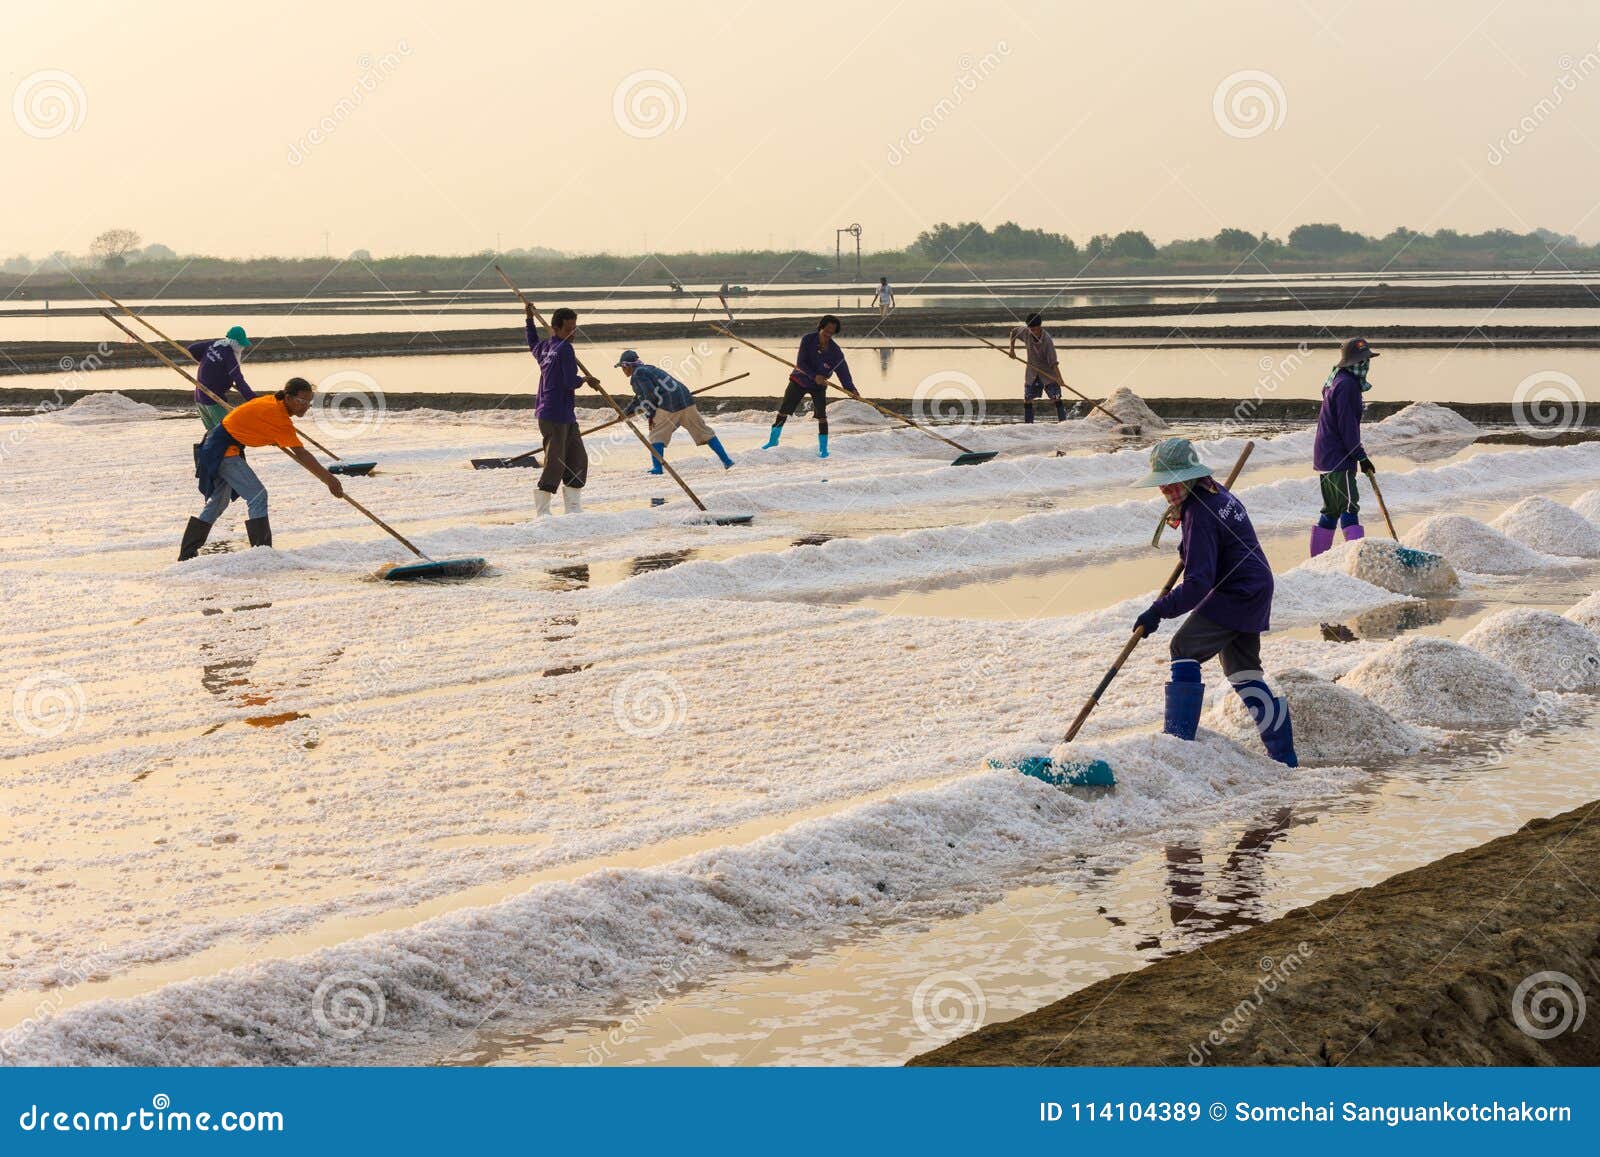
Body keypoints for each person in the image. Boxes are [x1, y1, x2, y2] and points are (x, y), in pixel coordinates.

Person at [1130, 437, 1297, 767]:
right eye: (1162, 484)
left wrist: (1157, 612)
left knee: (1183, 648)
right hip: (1254, 585)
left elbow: (1197, 585)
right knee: (1243, 671)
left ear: (1188, 476)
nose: (1165, 490)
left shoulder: (1200, 512)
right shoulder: (1212, 491)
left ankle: (1179, 744)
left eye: (1171, 482)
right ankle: (1286, 760)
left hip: (1237, 592)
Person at [178, 378, 343, 560]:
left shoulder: (273, 402)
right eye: (302, 401)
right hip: (222, 450)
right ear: (288, 398)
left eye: (309, 402)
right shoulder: (279, 418)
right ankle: (262, 552)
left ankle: (187, 554)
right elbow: (302, 454)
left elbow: (257, 424)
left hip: (217, 445)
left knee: (218, 503)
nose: (306, 406)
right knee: (257, 495)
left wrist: (268, 436)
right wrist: (328, 479)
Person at [528, 304, 600, 516]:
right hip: (554, 413)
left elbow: (531, 341)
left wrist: (529, 320)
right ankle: (543, 512)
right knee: (556, 462)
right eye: (568, 329)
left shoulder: (545, 347)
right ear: (556, 328)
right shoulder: (564, 349)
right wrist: (586, 380)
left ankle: (573, 509)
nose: (572, 333)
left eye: (574, 328)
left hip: (563, 414)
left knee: (578, 458)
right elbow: (570, 381)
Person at [1310, 337, 1378, 556]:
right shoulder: (1348, 386)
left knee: (1332, 509)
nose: (1367, 364)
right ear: (1355, 362)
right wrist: (1361, 457)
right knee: (1349, 506)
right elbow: (1347, 428)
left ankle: (1317, 561)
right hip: (1339, 458)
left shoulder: (1336, 378)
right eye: (1364, 360)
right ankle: (1358, 560)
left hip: (1325, 455)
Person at [616, 350, 733, 473]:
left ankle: (658, 468)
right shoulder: (649, 369)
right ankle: (727, 461)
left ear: (627, 366)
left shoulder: (638, 375)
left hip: (669, 404)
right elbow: (640, 398)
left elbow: (649, 397)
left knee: (656, 434)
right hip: (685, 399)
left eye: (623, 368)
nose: (622, 371)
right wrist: (625, 413)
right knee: (704, 431)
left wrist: (651, 415)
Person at [762, 315, 860, 458]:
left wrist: (851, 389)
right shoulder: (808, 340)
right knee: (784, 410)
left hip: (819, 385)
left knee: (822, 416)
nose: (828, 334)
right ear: (821, 328)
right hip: (799, 379)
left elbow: (843, 372)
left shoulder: (835, 351)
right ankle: (773, 441)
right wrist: (814, 376)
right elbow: (801, 363)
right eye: (826, 331)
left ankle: (823, 448)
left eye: (831, 332)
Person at [185, 325, 255, 429]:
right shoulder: (230, 356)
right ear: (235, 343)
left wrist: (209, 362)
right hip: (213, 400)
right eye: (241, 344)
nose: (242, 347)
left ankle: (203, 446)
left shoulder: (214, 344)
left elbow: (192, 349)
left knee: (212, 433)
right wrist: (253, 400)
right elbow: (239, 380)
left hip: (199, 397)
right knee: (227, 432)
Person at [1009, 313, 1066, 423]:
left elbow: (1053, 363)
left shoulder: (1047, 341)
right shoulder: (1025, 332)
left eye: (1035, 329)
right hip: (1032, 371)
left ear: (1040, 326)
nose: (1033, 332)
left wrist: (1060, 379)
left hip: (1048, 373)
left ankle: (1063, 423)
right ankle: (1028, 424)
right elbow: (1013, 332)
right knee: (1027, 398)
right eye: (1031, 329)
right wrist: (1012, 350)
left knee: (1056, 397)